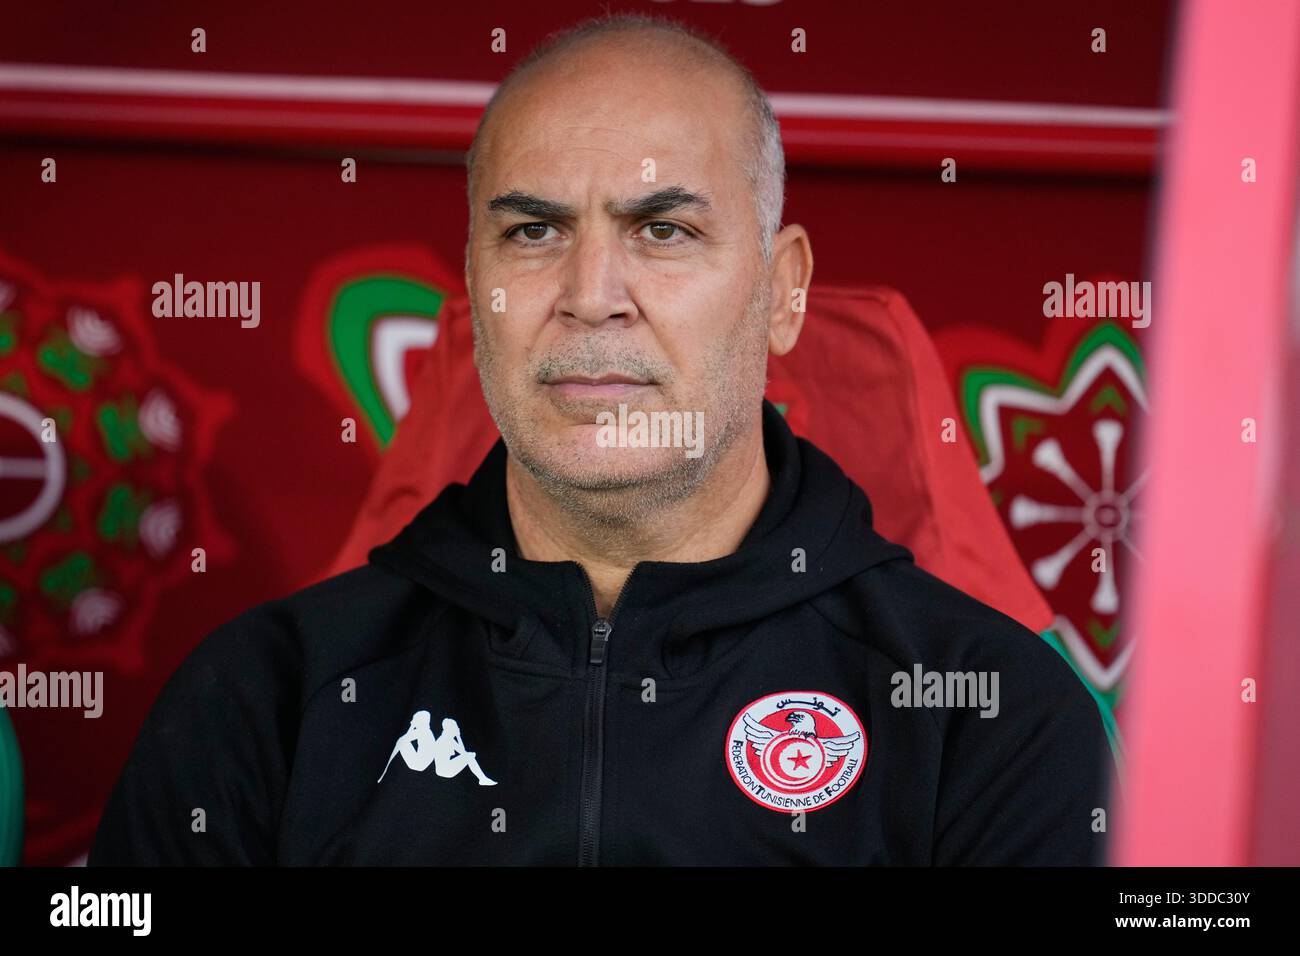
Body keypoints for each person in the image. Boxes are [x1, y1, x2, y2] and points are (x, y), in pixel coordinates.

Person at [89, 11, 1110, 866]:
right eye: (532, 232)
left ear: (781, 290)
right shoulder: (263, 699)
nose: (589, 298)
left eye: (662, 230)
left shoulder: (985, 718)